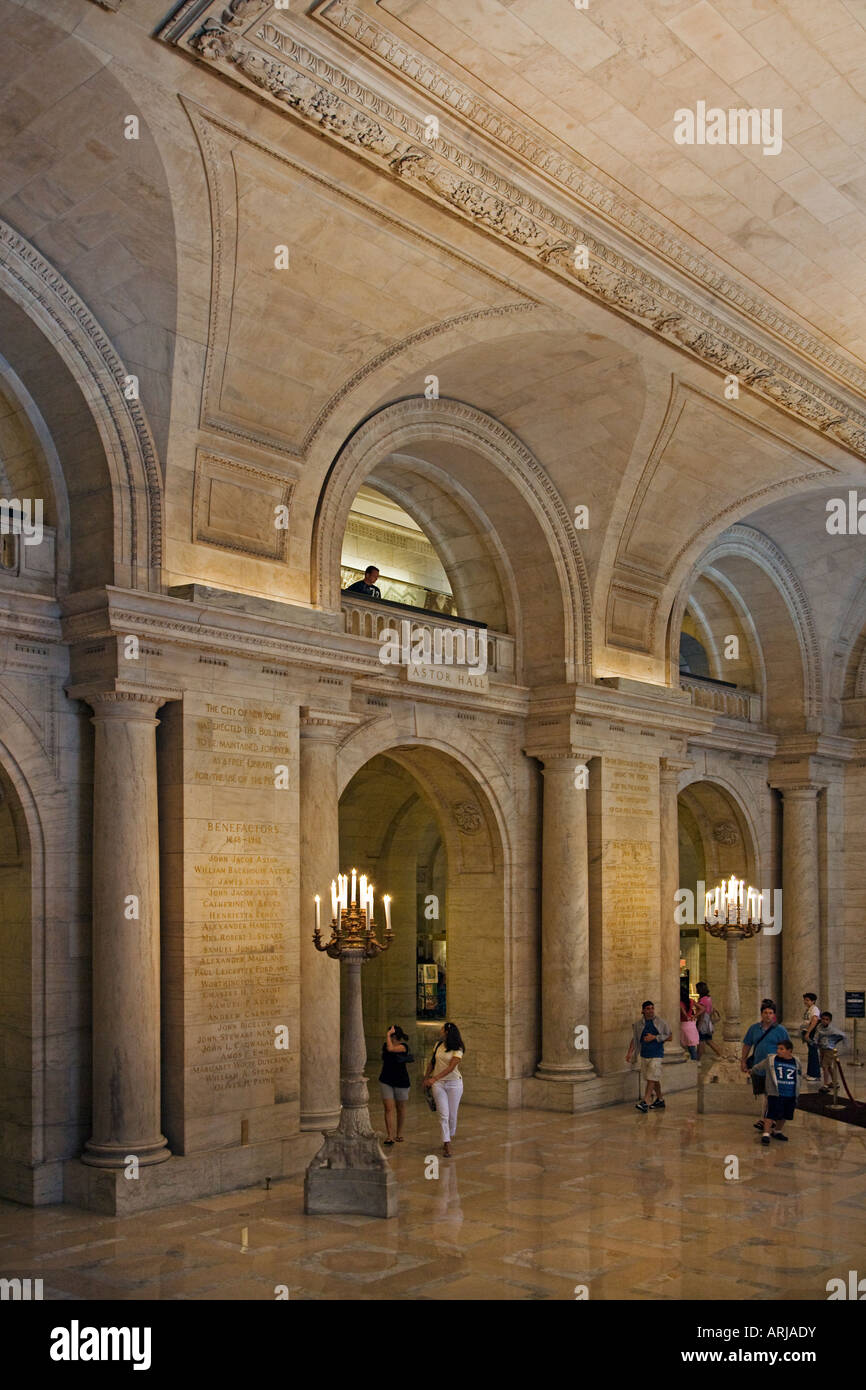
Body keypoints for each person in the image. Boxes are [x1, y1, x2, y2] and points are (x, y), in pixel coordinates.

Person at [742, 1001, 790, 1131]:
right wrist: (743, 1060)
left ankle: (765, 1120)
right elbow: (747, 1044)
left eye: (770, 1013)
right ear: (761, 1014)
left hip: (775, 1067)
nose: (768, 1016)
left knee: (770, 1094)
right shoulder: (754, 1029)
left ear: (774, 1015)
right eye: (765, 1013)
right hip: (759, 1066)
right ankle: (769, 1118)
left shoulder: (780, 1030)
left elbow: (788, 1048)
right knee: (764, 1094)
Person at [422, 1021, 465, 1157]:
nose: (440, 1031)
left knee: (452, 1115)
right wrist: (427, 1077)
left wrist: (434, 1078)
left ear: (447, 1032)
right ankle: (446, 1143)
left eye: (442, 1029)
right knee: (443, 1114)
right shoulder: (438, 1045)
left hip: (454, 1084)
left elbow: (451, 1067)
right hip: (438, 1084)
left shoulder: (458, 1048)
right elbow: (432, 1062)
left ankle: (450, 1135)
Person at [750, 1039, 801, 1144]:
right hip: (775, 1092)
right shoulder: (771, 1060)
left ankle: (777, 1131)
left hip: (790, 1093)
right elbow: (758, 1067)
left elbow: (798, 1075)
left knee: (785, 1114)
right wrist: (752, 1071)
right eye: (778, 1048)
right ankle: (766, 1134)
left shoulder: (796, 1062)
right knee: (770, 1114)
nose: (778, 1051)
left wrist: (797, 1091)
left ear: (789, 1051)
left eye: (781, 1049)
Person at [626, 1000, 672, 1112]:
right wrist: (630, 1052)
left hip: (656, 1054)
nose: (651, 1011)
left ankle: (645, 1101)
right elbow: (635, 1039)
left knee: (651, 1077)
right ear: (643, 1011)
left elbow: (670, 1037)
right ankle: (660, 1099)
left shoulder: (661, 1022)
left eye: (652, 1008)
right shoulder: (638, 1025)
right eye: (648, 1008)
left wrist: (655, 1038)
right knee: (653, 1078)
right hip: (644, 1054)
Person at [378, 1024, 411, 1145]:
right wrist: (388, 1038)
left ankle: (399, 1133)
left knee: (400, 1108)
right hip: (386, 1080)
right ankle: (390, 1136)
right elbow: (388, 1049)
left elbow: (392, 1049)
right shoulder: (386, 1046)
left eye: (390, 1035)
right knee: (388, 1108)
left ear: (394, 1036)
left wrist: (388, 1034)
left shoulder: (404, 1047)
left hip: (401, 1081)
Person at [814, 1012, 848, 1093]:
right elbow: (817, 1035)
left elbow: (842, 1035)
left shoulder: (832, 1030)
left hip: (829, 1049)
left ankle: (825, 1084)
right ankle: (835, 1082)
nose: (824, 1021)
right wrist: (815, 1042)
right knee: (827, 1066)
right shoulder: (819, 1027)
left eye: (827, 1020)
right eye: (823, 1019)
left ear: (830, 1021)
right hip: (822, 1048)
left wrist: (834, 1041)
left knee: (825, 1066)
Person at [695, 981, 723, 1059]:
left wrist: (699, 1026)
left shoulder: (702, 1000)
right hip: (707, 1023)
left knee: (701, 1041)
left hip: (703, 1023)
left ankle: (698, 1059)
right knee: (708, 1041)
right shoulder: (708, 998)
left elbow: (702, 1013)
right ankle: (720, 1054)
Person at [801, 992, 821, 1081]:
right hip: (807, 1031)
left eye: (807, 1000)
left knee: (813, 1052)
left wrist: (808, 1032)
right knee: (810, 1052)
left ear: (813, 1001)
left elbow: (814, 1020)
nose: (805, 1002)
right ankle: (810, 1072)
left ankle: (815, 1074)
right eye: (805, 1000)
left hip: (812, 1032)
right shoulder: (809, 1009)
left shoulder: (815, 1009)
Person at [680, 984, 700, 1061]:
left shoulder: (680, 1003)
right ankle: (694, 1062)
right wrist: (694, 1016)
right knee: (692, 1046)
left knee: (683, 1045)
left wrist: (687, 1016)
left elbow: (684, 1013)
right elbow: (702, 1008)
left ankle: (687, 1062)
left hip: (684, 1024)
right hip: (691, 1025)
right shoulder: (691, 1000)